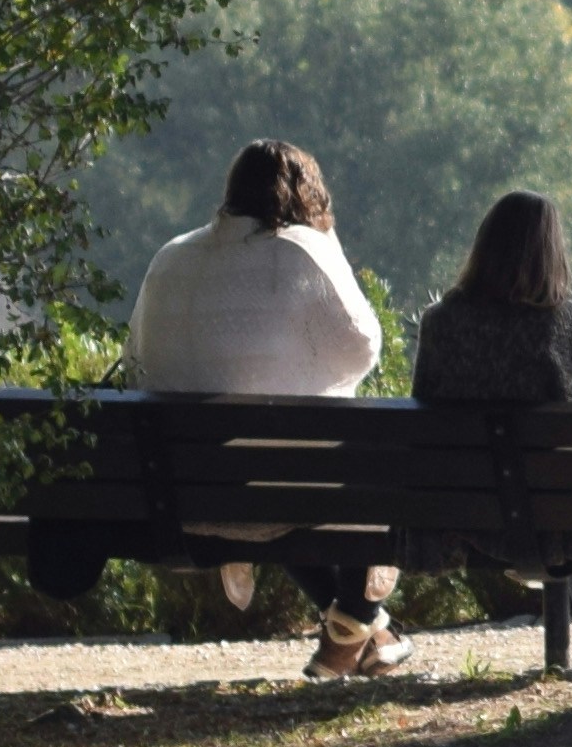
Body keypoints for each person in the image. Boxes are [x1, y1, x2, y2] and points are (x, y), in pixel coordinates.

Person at [123, 139, 403, 676]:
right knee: (340, 463)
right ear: (307, 201)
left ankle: (361, 631)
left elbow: (136, 363)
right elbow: (363, 348)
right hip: (277, 494)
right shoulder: (302, 248)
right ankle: (355, 617)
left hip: (180, 498)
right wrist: (329, 245)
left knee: (275, 466)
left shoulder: (169, 255)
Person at [411, 190, 572, 670]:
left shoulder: (442, 323)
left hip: (467, 510)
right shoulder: (568, 324)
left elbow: (426, 419)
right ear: (554, 249)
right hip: (557, 514)